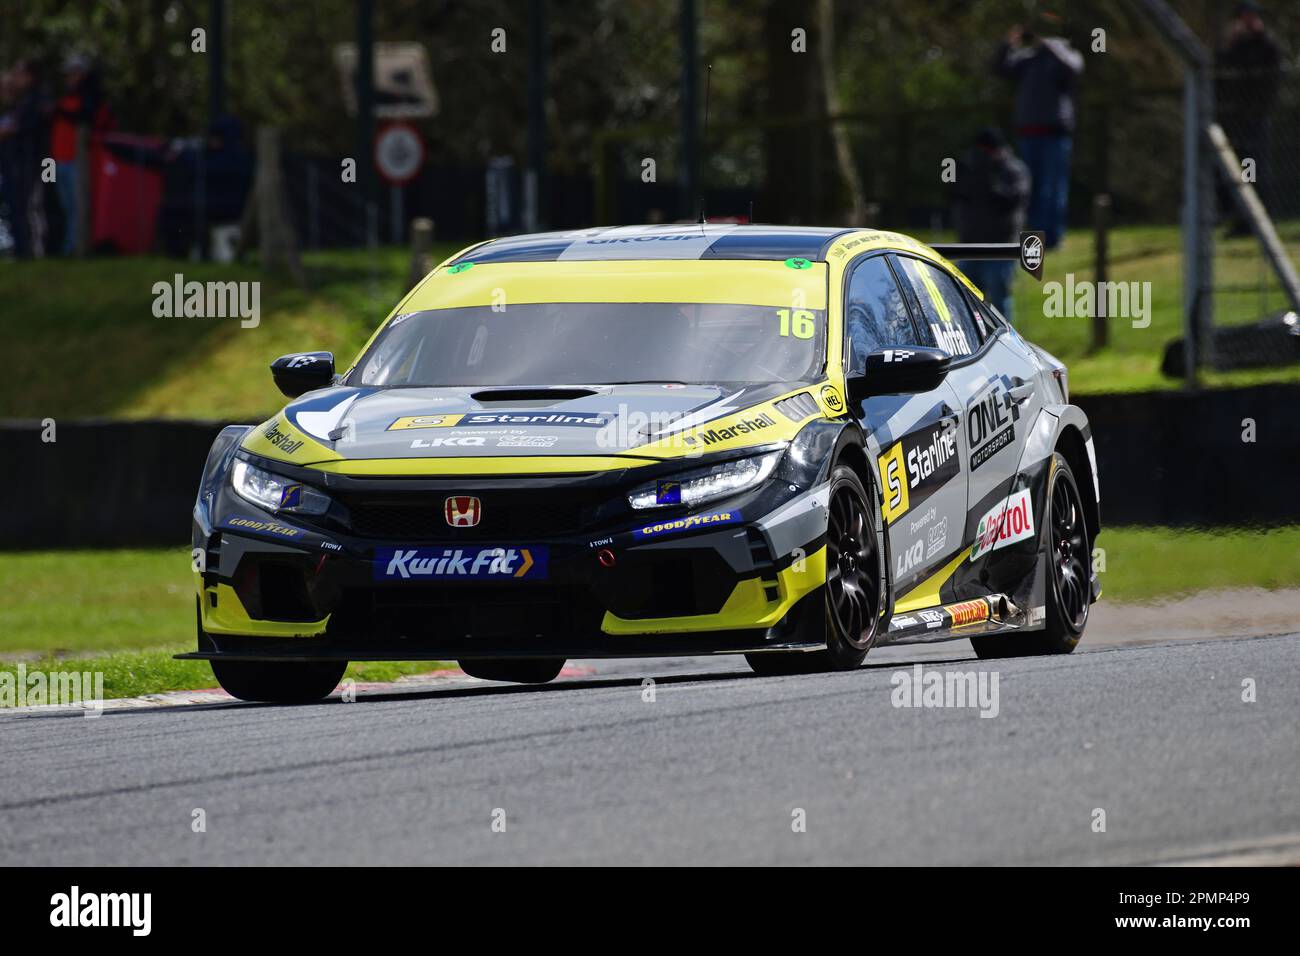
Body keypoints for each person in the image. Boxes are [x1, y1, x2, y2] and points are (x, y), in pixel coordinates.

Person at [993, 14, 1083, 250]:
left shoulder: (1066, 55)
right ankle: (1029, 236)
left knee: (1051, 188)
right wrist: (1008, 44)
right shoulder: (1027, 59)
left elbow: (1074, 69)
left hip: (1055, 135)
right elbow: (999, 68)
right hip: (1028, 133)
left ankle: (1052, 238)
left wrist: (1050, 44)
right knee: (1026, 187)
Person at [1216, 1, 1282, 236]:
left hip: (1256, 119)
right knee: (1231, 171)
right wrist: (1230, 43)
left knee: (1253, 169)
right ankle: (1238, 219)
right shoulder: (1234, 47)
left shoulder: (1266, 46)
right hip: (1235, 120)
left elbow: (1270, 78)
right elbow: (1222, 72)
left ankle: (1256, 219)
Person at [953, 127, 1031, 323]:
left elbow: (1012, 199)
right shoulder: (968, 167)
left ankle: (1006, 345)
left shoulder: (1013, 170)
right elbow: (954, 193)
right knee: (962, 301)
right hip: (969, 248)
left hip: (1000, 249)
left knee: (999, 304)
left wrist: (990, 180)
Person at [48, 52, 104, 255]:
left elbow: (83, 118)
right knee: (65, 206)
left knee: (77, 206)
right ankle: (67, 245)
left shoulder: (89, 98)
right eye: (68, 74)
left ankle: (75, 248)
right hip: (58, 160)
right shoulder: (65, 98)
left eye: (74, 73)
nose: (70, 78)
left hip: (77, 160)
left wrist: (58, 111)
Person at [0, 59, 50, 258]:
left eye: (19, 75)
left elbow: (23, 128)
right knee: (18, 207)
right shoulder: (21, 102)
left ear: (30, 76)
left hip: (38, 164)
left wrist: (8, 131)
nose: (16, 79)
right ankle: (22, 251)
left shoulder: (38, 99)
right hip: (18, 164)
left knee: (33, 206)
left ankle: (31, 251)